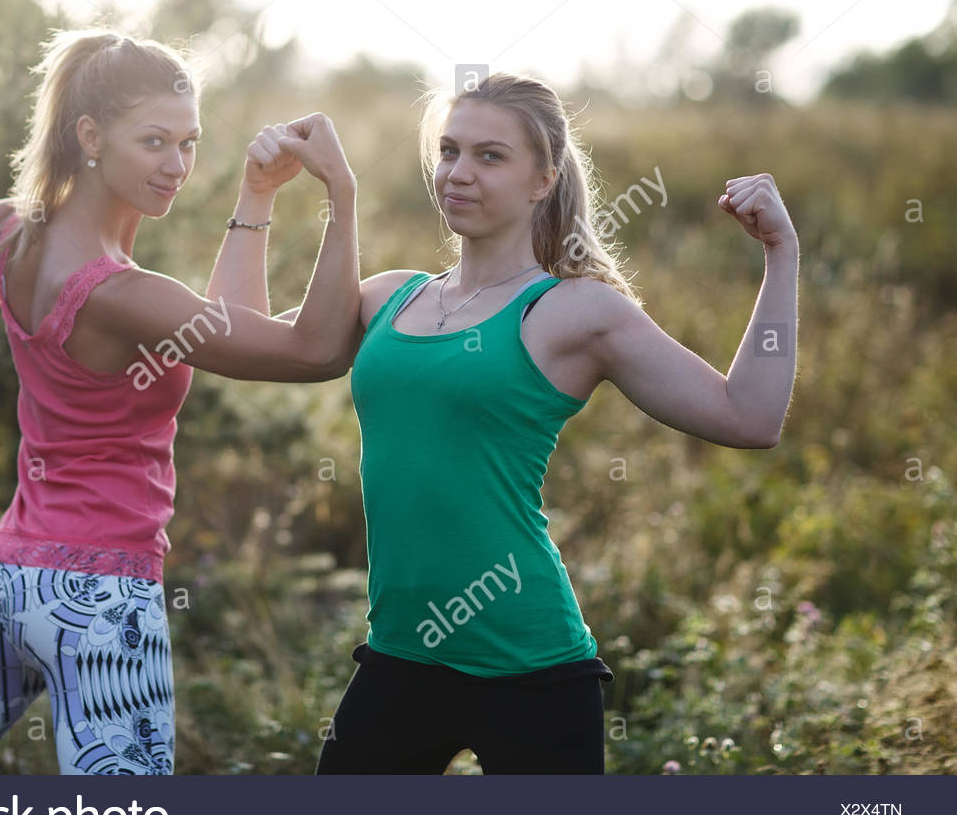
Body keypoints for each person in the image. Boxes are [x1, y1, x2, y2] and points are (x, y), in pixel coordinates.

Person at [231, 71, 799, 774]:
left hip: (531, 668)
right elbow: (241, 339)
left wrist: (781, 253)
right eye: (448, 151)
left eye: (489, 156)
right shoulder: (389, 298)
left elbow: (749, 415)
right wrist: (260, 193)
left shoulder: (574, 310)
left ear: (542, 180)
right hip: (401, 657)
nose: (458, 174)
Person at [0, 29, 359, 774]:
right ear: (89, 134)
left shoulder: (10, 233)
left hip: (2, 585)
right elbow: (312, 349)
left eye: (188, 142)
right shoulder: (126, 297)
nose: (177, 166)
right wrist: (342, 199)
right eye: (154, 141)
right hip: (100, 603)